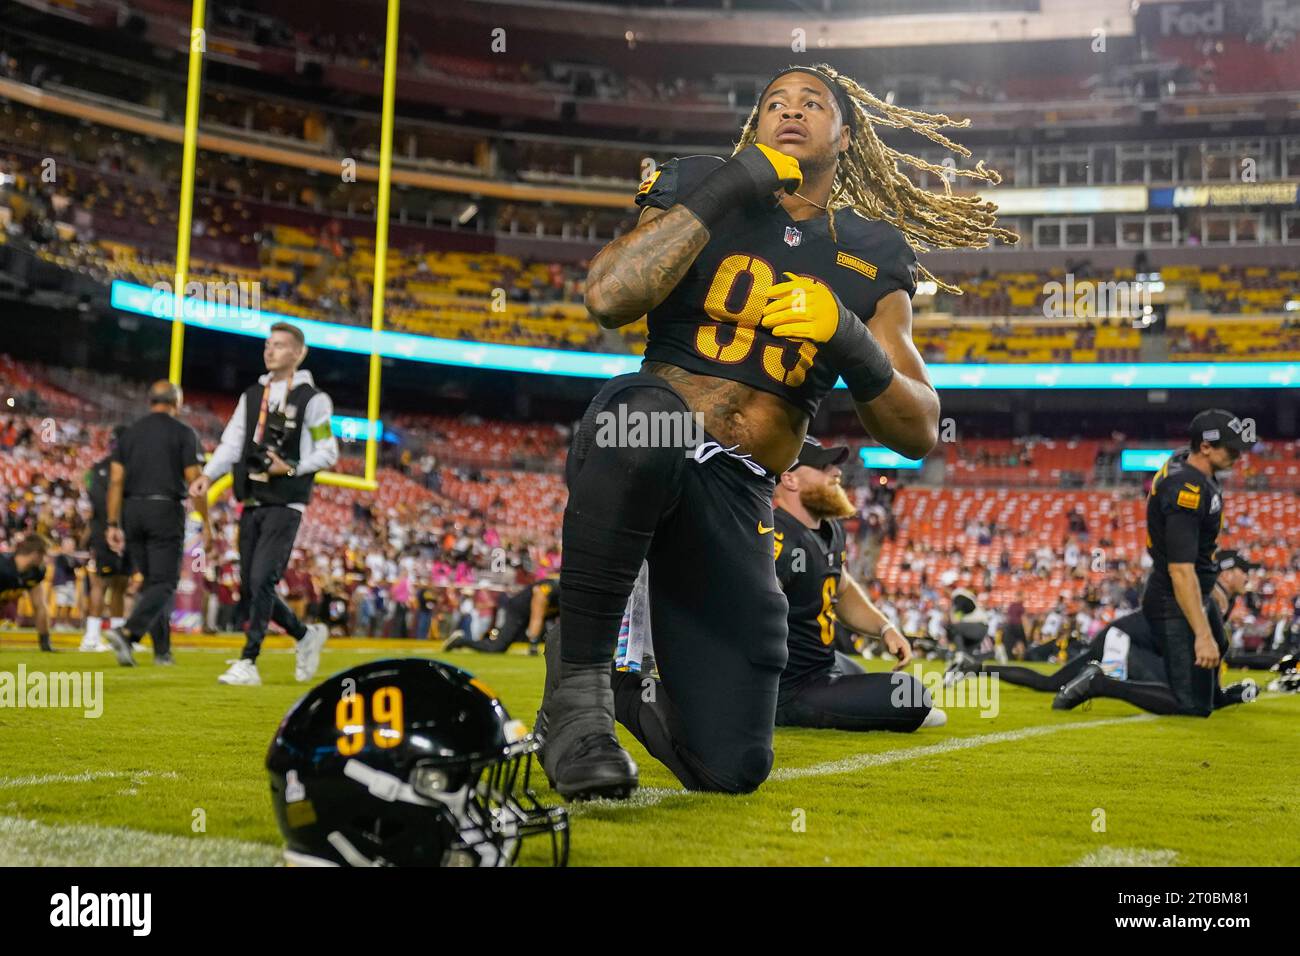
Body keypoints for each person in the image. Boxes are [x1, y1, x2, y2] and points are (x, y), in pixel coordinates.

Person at [538, 62, 1009, 798]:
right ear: (753, 128)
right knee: (648, 419)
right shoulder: (701, 185)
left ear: (845, 136)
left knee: (731, 766)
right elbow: (609, 295)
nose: (791, 111)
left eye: (812, 104)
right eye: (774, 104)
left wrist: (847, 335)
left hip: (740, 490)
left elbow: (919, 429)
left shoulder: (870, 251)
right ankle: (578, 700)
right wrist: (731, 184)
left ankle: (626, 690)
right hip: (647, 437)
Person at [1053, 412, 1253, 717]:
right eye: (1231, 448)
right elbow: (1180, 569)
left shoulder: (1189, 464)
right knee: (1189, 704)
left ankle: (1213, 695)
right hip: (1173, 597)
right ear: (1206, 447)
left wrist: (1210, 592)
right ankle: (1100, 683)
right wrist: (1201, 634)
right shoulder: (1186, 491)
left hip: (1193, 588)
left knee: (1218, 645)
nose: (1237, 455)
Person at [189, 322, 337, 686]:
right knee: (253, 586)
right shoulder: (253, 394)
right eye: (269, 344)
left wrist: (293, 469)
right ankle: (304, 636)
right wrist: (208, 474)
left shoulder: (312, 399)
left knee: (262, 578)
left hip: (286, 500)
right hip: (252, 497)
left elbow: (328, 450)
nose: (270, 351)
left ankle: (249, 660)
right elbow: (232, 441)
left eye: (280, 346)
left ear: (298, 353)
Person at [771, 438, 943, 732]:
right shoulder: (778, 537)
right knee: (911, 695)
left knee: (862, 674)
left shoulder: (829, 528)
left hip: (822, 664)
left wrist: (884, 628)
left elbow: (843, 586)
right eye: (823, 467)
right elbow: (750, 609)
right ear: (789, 478)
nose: (836, 473)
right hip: (790, 683)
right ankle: (779, 708)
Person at [1051, 551, 1260, 713]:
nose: (1248, 577)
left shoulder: (1221, 598)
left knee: (1049, 683)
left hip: (1145, 644)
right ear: (1227, 572)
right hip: (1125, 639)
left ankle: (1098, 682)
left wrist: (1217, 693)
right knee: (1179, 697)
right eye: (1244, 571)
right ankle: (1099, 683)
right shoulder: (1203, 593)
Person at [103, 381, 207, 667]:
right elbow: (195, 482)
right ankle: (128, 633)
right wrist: (206, 522)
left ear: (151, 401)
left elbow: (115, 481)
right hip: (165, 508)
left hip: (132, 510)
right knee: (165, 582)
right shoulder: (184, 433)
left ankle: (162, 652)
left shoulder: (130, 434)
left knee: (153, 585)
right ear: (176, 403)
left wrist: (113, 523)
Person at [80, 425, 130, 652]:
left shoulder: (95, 469)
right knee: (105, 584)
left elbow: (92, 499)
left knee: (116, 584)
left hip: (103, 530)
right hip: (116, 531)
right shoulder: (126, 469)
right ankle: (92, 637)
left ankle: (113, 637)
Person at [1, 535, 53, 652]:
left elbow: (40, 606)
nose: (46, 559)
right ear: (35, 554)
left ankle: (45, 642)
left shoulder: (36, 572)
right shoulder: (3, 567)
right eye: (44, 554)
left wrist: (45, 641)